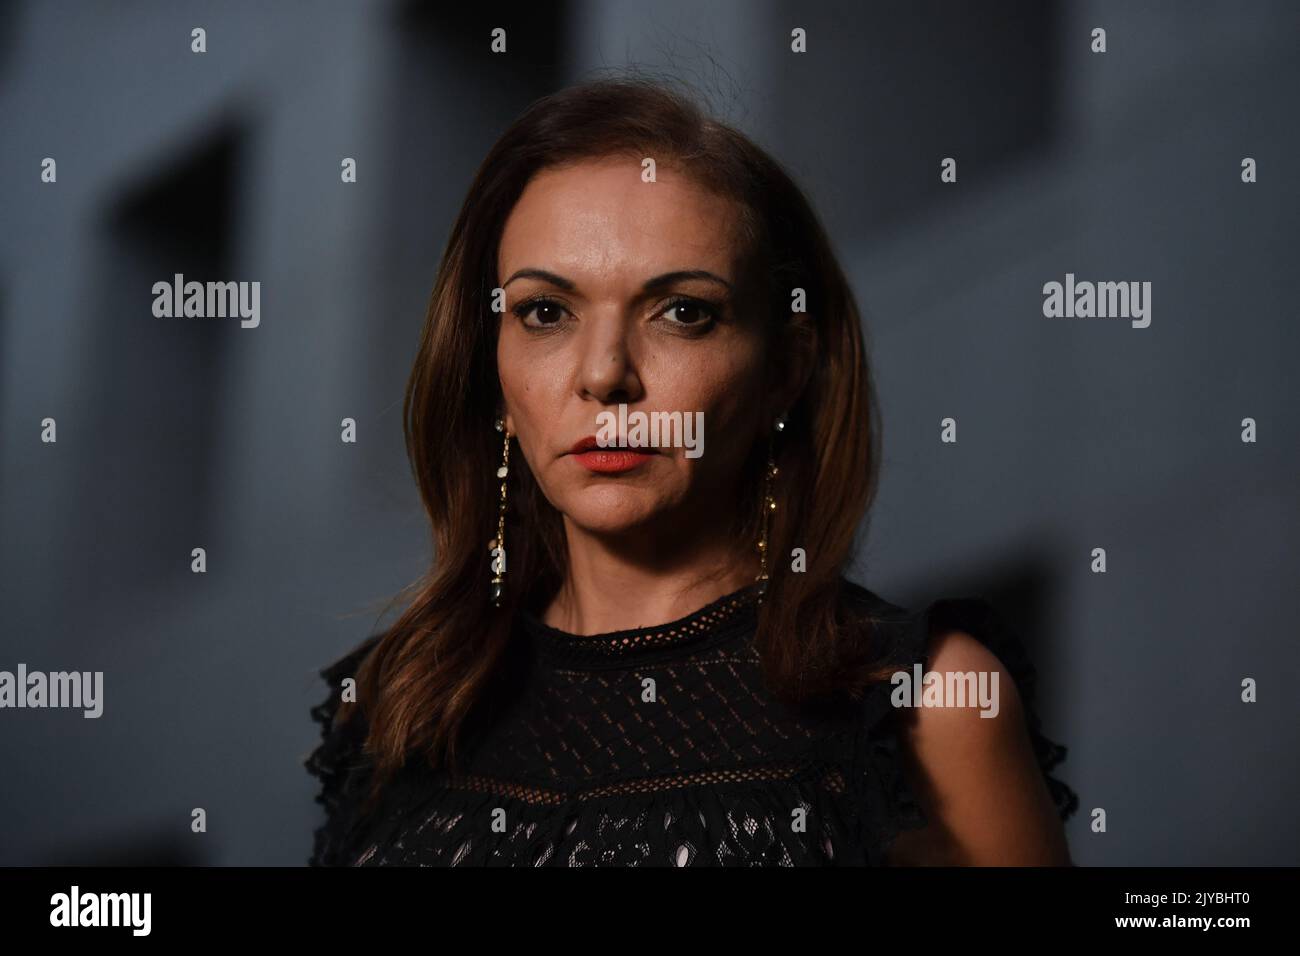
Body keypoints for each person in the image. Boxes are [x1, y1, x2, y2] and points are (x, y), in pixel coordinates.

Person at [306, 76, 1077, 866]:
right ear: (488, 371)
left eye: (683, 312)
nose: (604, 375)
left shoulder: (927, 707)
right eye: (545, 312)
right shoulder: (400, 706)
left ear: (786, 368)